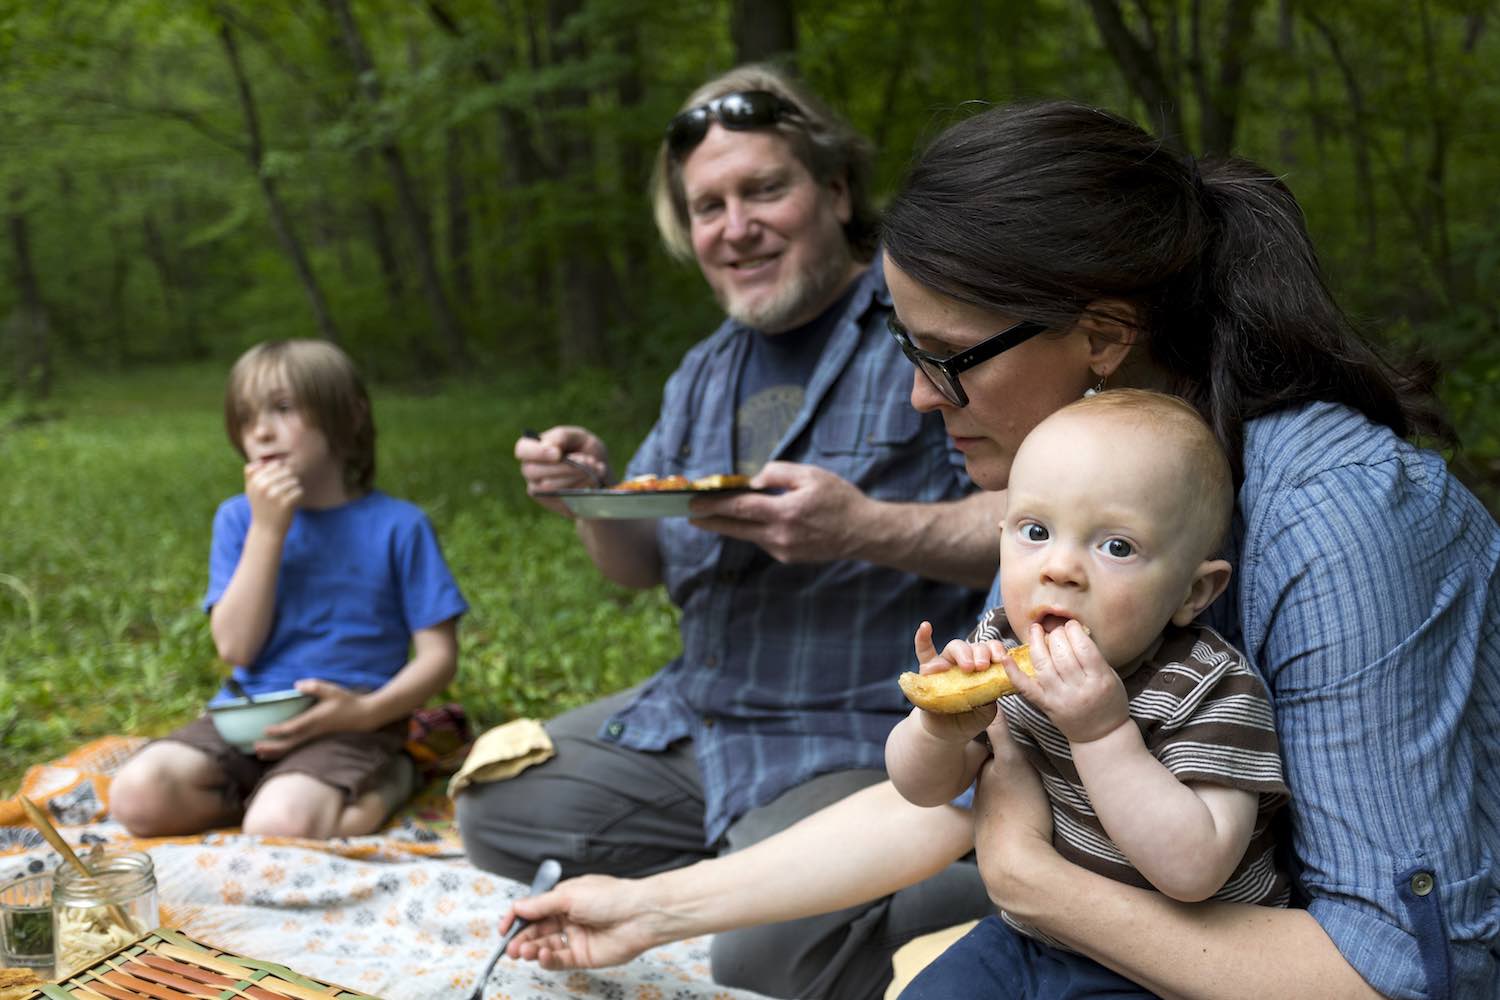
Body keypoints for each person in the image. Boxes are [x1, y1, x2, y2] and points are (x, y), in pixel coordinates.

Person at [495, 99, 1499, 1000]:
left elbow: (1411, 972)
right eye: (907, 349)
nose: (921, 397)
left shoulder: (1344, 522)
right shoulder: (1073, 521)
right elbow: (956, 793)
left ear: (1102, 336)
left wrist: (1038, 886)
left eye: (946, 359)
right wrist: (650, 910)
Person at [455, 63, 1001, 1000]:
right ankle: (755, 854)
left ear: (832, 191)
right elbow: (640, 564)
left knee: (764, 960)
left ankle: (976, 866)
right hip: (702, 720)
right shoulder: (704, 372)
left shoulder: (922, 324)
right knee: (497, 804)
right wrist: (589, 498)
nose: (734, 227)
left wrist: (866, 528)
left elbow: (1034, 521)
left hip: (860, 734)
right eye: (707, 207)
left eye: (764, 189)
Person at [889, 390, 1291, 998]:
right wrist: (940, 732)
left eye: (1116, 546)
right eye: (1035, 531)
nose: (1059, 568)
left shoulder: (1207, 686)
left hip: (1167, 961)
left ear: (1194, 591)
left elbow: (1195, 870)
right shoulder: (999, 641)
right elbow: (920, 789)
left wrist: (1101, 732)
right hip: (1033, 938)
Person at [110, 339, 468, 840]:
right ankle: (274, 798)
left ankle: (394, 776)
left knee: (278, 824)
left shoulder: (399, 526)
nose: (260, 430)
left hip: (352, 722)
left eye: (282, 409)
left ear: (349, 415)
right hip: (248, 719)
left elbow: (439, 656)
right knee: (136, 796)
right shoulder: (240, 520)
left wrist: (366, 712)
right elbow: (235, 646)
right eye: (246, 415)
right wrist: (269, 531)